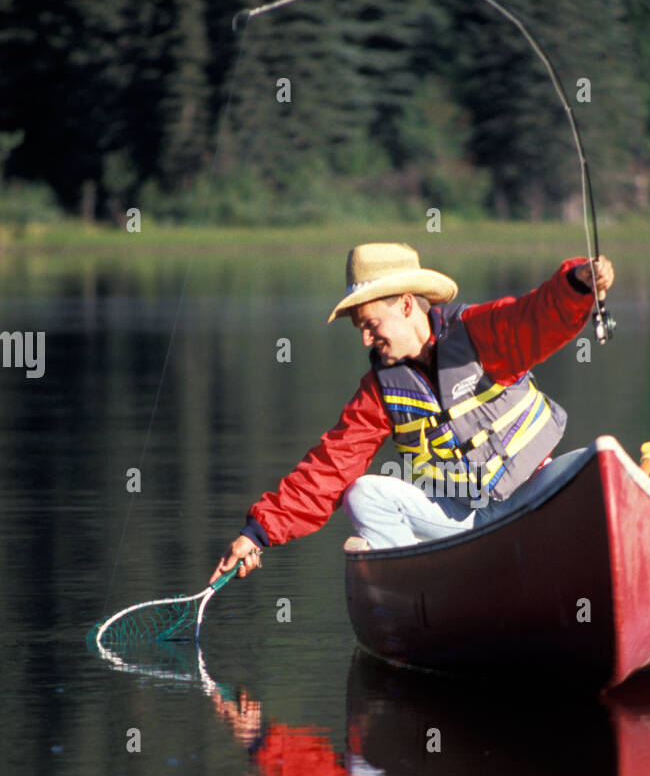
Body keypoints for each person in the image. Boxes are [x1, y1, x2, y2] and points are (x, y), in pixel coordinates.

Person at [211, 241, 614, 582]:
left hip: (534, 494)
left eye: (370, 323)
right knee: (364, 494)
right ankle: (424, 589)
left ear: (406, 305)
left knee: (604, 459)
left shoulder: (478, 333)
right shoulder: (380, 390)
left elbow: (534, 318)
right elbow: (330, 468)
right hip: (461, 520)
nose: (367, 338)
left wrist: (577, 285)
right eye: (361, 329)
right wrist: (258, 533)